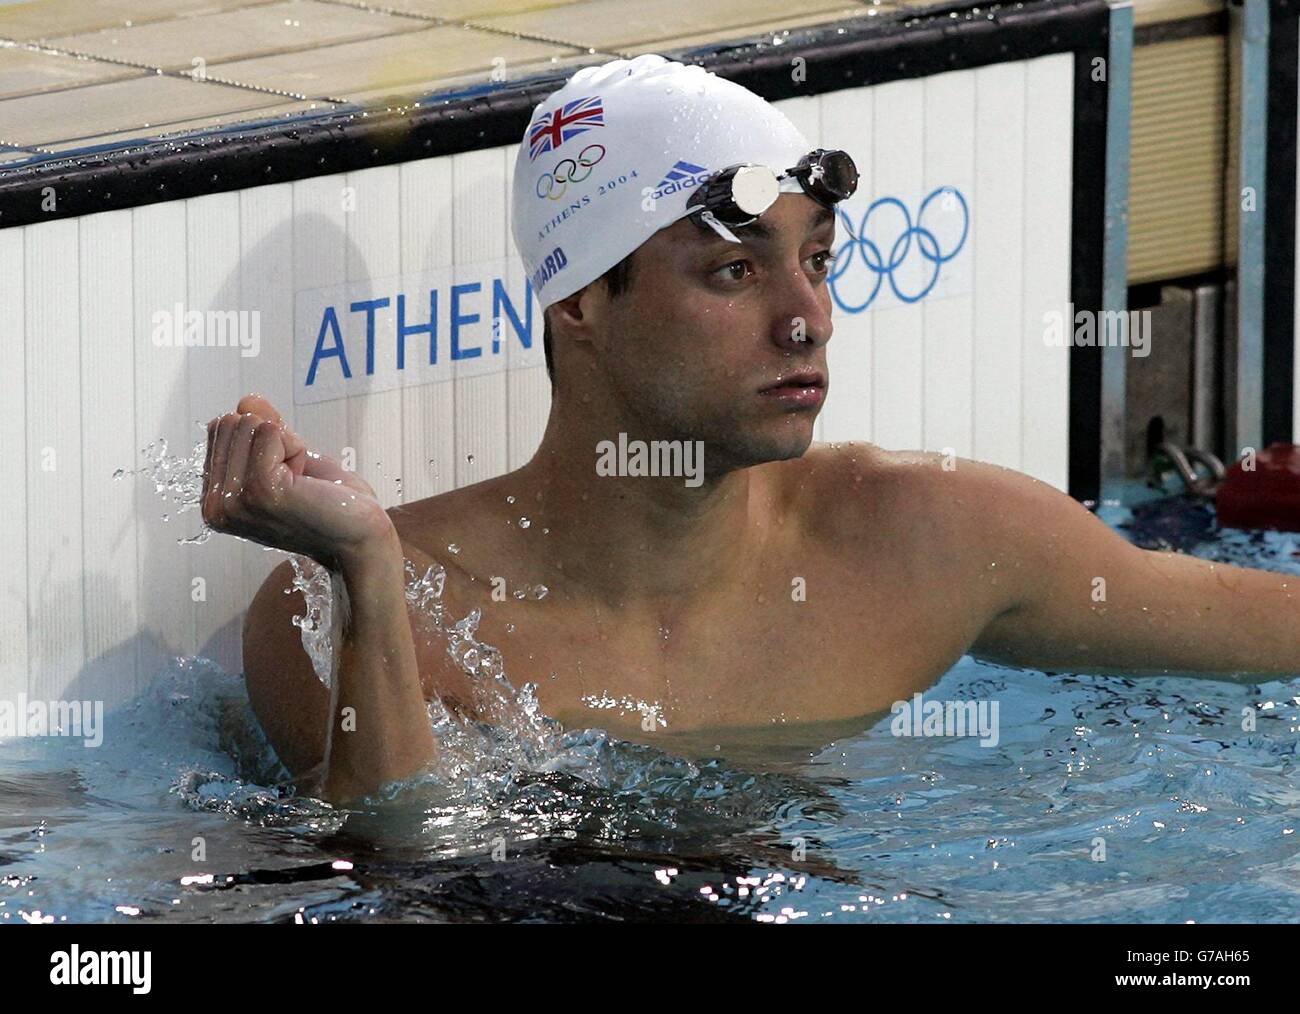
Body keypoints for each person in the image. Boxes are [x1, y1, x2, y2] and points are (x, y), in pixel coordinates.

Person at [202, 55, 1300, 803]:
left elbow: (1266, 632)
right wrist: (370, 579)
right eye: (736, 270)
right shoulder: (352, 607)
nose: (806, 318)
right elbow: (399, 870)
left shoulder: (936, 539)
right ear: (580, 302)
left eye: (816, 261)